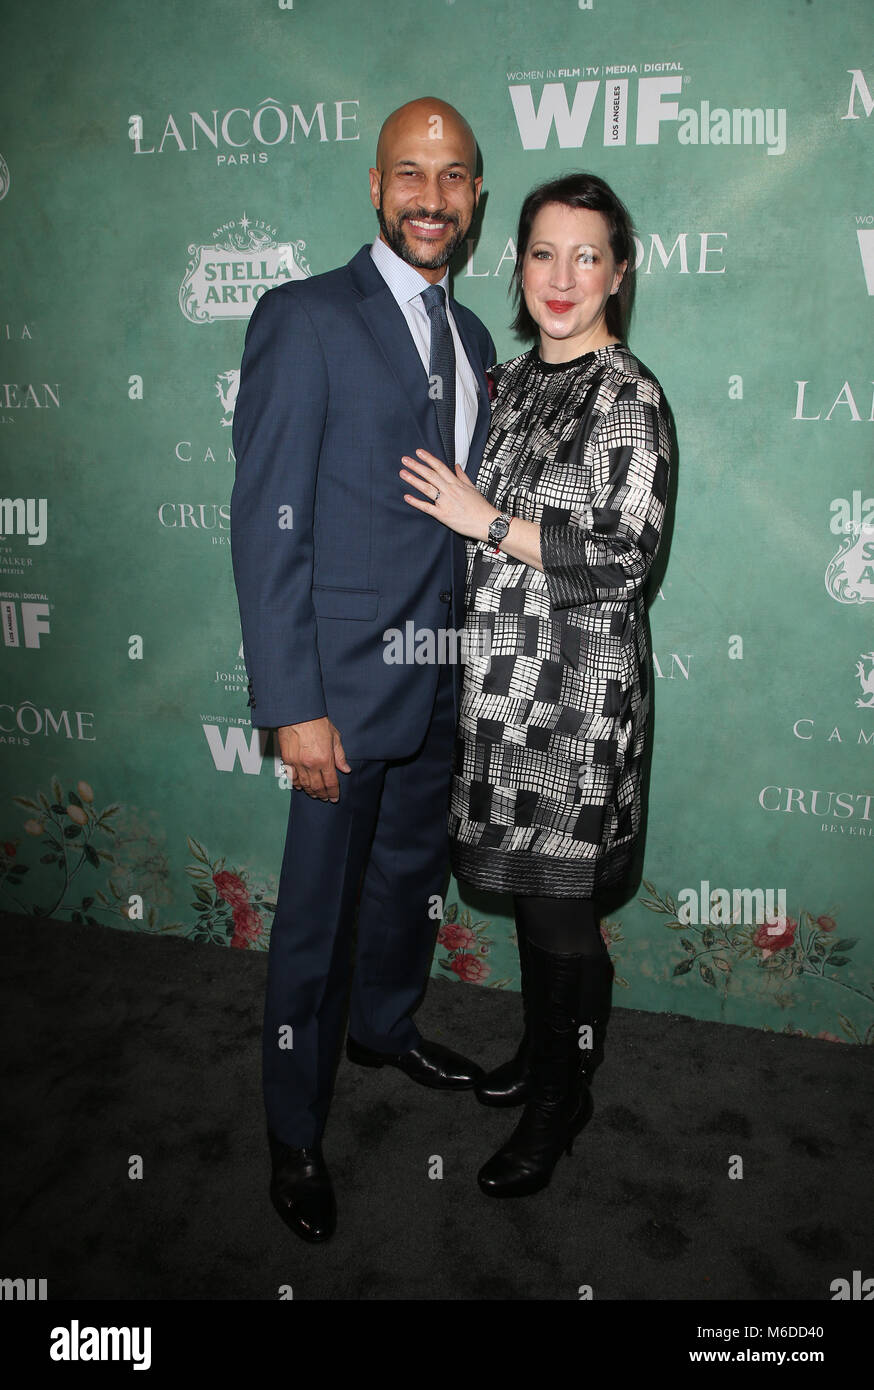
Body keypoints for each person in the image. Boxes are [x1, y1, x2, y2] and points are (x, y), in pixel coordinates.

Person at [230, 98, 496, 1242]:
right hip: (339, 691)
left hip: (441, 680)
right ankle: (293, 1126)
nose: (430, 197)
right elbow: (266, 527)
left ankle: (385, 1028)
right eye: (409, 174)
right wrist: (294, 705)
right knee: (315, 922)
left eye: (452, 176)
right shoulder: (304, 318)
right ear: (375, 188)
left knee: (405, 887)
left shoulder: (475, 338)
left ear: (475, 196)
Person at [399, 171, 673, 1198]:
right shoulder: (504, 382)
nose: (562, 276)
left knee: (561, 915)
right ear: (517, 266)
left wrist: (491, 523)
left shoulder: (630, 396)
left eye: (586, 255)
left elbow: (623, 557)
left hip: (576, 701)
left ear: (619, 272)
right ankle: (544, 1052)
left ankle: (563, 1098)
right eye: (543, 253)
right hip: (496, 690)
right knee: (524, 894)